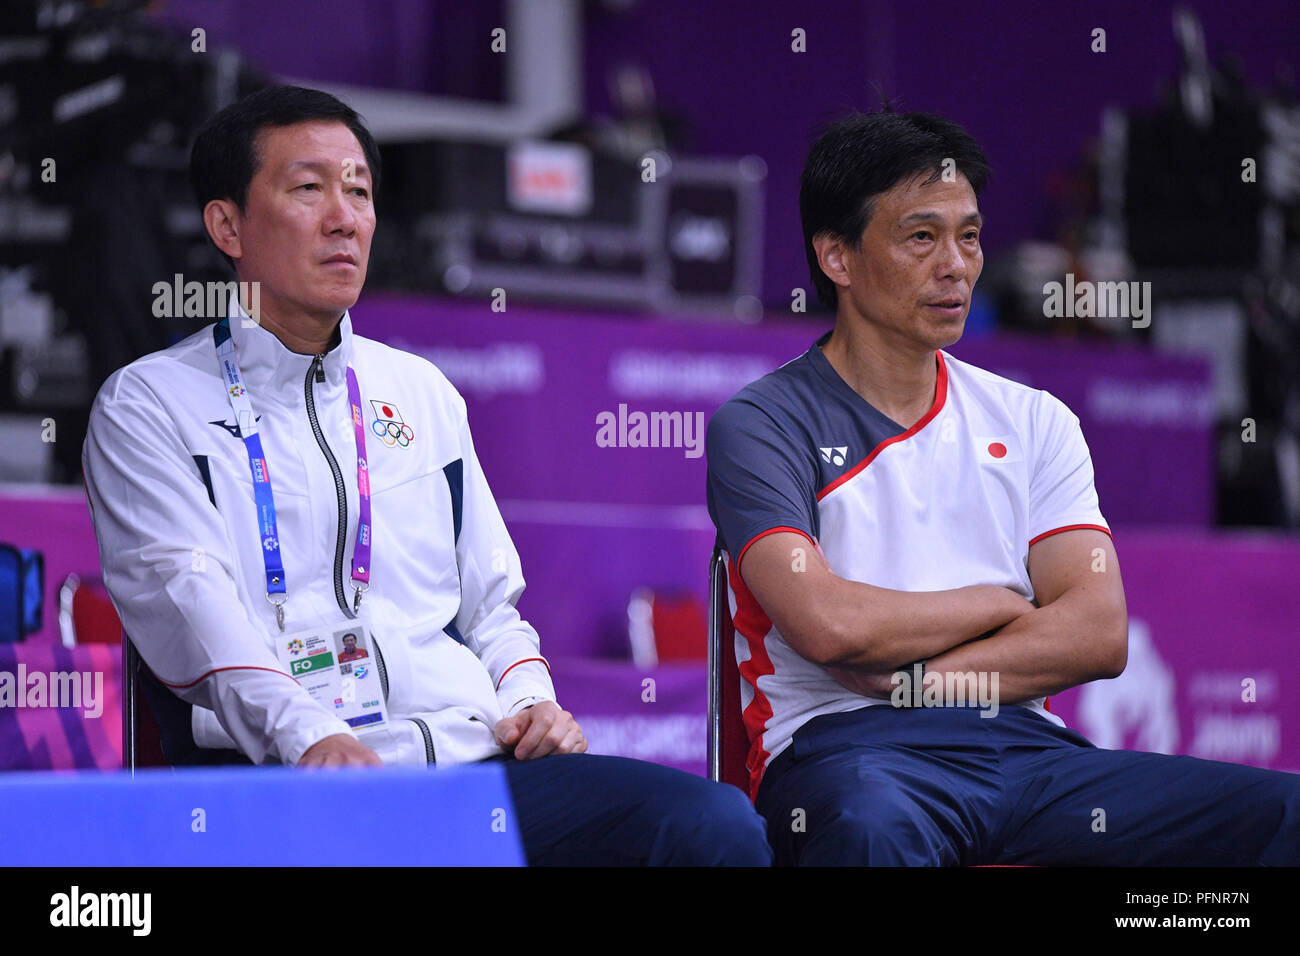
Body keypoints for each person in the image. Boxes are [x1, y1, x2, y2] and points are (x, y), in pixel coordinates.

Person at [82, 84, 770, 867]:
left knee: (710, 827)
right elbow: (194, 608)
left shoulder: (419, 392)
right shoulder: (148, 405)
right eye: (309, 189)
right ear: (227, 224)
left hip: (467, 773)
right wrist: (314, 738)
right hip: (284, 782)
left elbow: (490, 607)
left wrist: (529, 700)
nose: (345, 217)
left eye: (361, 192)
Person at [705, 107, 1299, 866]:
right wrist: (1000, 605)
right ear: (837, 258)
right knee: (870, 833)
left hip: (1029, 754)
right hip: (847, 754)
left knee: (1284, 815)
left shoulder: (1034, 419)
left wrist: (917, 681)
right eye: (922, 237)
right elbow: (829, 626)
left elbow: (1097, 631)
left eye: (971, 235)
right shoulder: (760, 424)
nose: (955, 264)